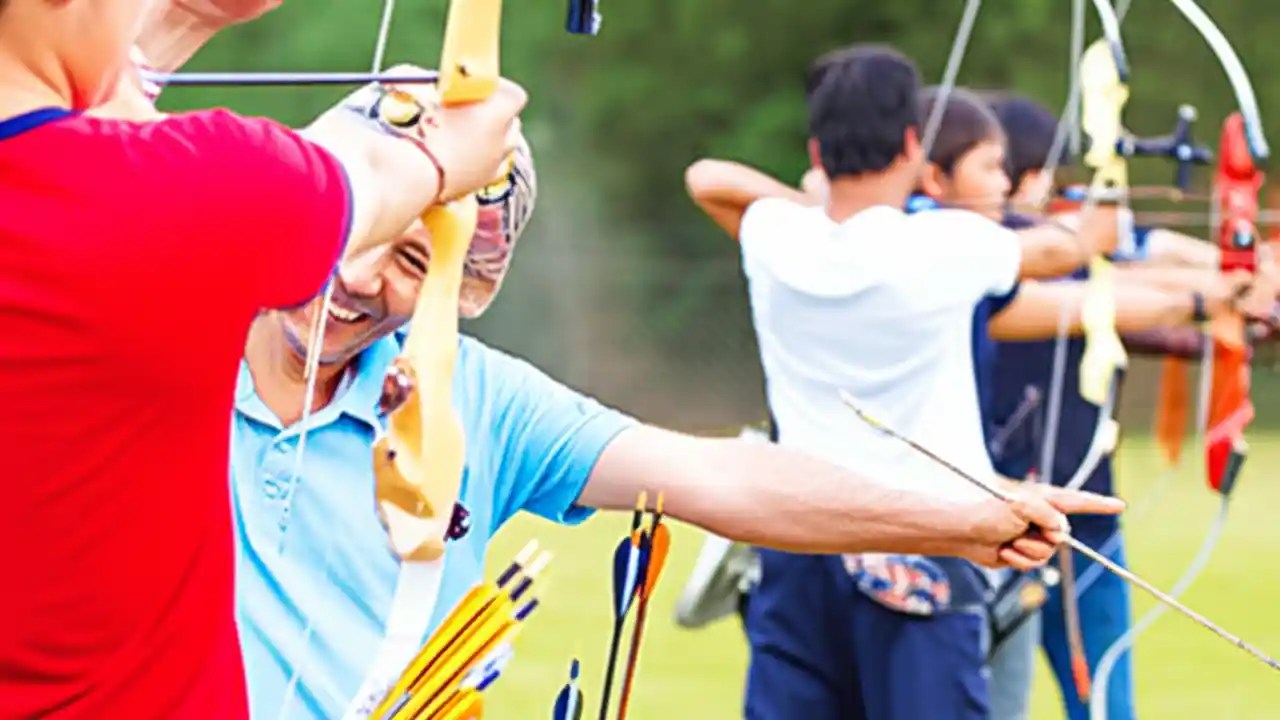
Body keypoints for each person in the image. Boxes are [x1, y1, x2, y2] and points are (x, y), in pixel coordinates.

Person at [216, 66, 1131, 720]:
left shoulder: (480, 402)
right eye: (353, 222)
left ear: (469, 287)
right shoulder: (164, 339)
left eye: (419, 258)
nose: (363, 274)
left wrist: (961, 516)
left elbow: (721, 479)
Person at [0, 0, 526, 714]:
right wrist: (449, 153)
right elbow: (380, 177)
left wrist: (186, 18)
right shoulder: (205, 192)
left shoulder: (154, 191)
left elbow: (71, 97)